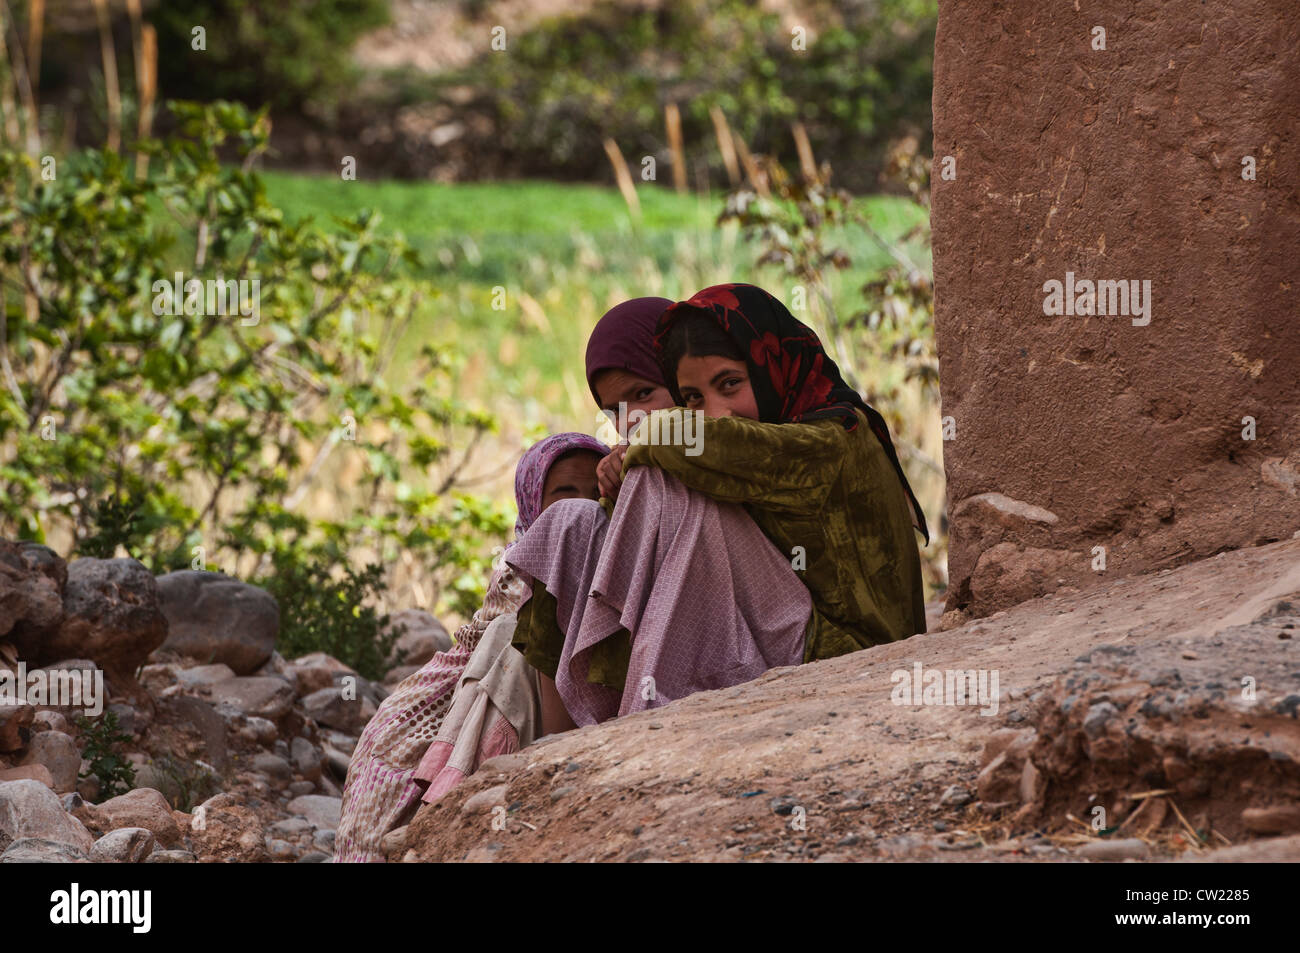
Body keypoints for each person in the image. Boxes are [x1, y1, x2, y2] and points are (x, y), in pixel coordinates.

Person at [507, 283, 928, 730]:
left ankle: (645, 712)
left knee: (663, 479)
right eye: (694, 398)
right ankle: (573, 728)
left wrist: (641, 448)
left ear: (770, 366)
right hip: (788, 633)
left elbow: (715, 442)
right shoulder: (724, 444)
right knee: (569, 523)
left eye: (730, 383)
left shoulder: (836, 436)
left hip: (851, 654)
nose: (717, 411)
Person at [332, 431, 607, 862]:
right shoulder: (517, 568)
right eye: (565, 493)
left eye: (597, 492)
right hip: (490, 686)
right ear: (534, 502)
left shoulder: (627, 563)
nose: (584, 507)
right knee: (507, 637)